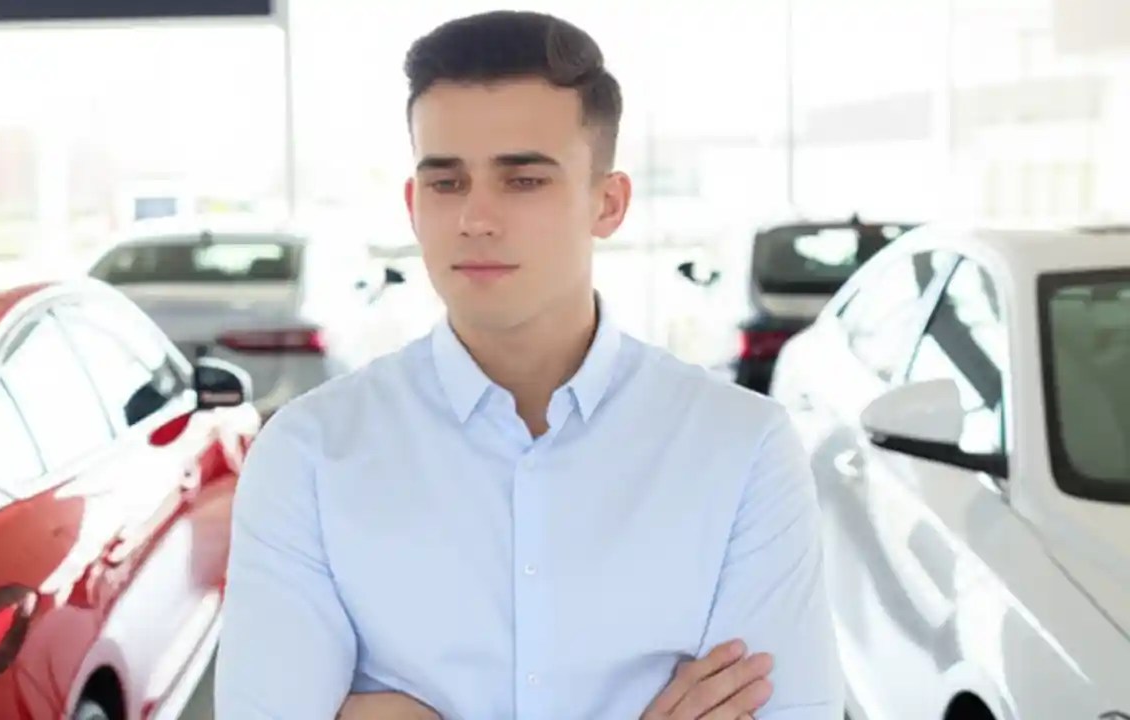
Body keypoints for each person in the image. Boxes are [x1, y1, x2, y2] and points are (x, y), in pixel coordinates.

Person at [214, 10, 843, 720]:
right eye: (447, 183)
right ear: (414, 204)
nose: (476, 218)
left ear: (608, 203)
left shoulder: (743, 447)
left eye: (523, 181)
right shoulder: (308, 454)